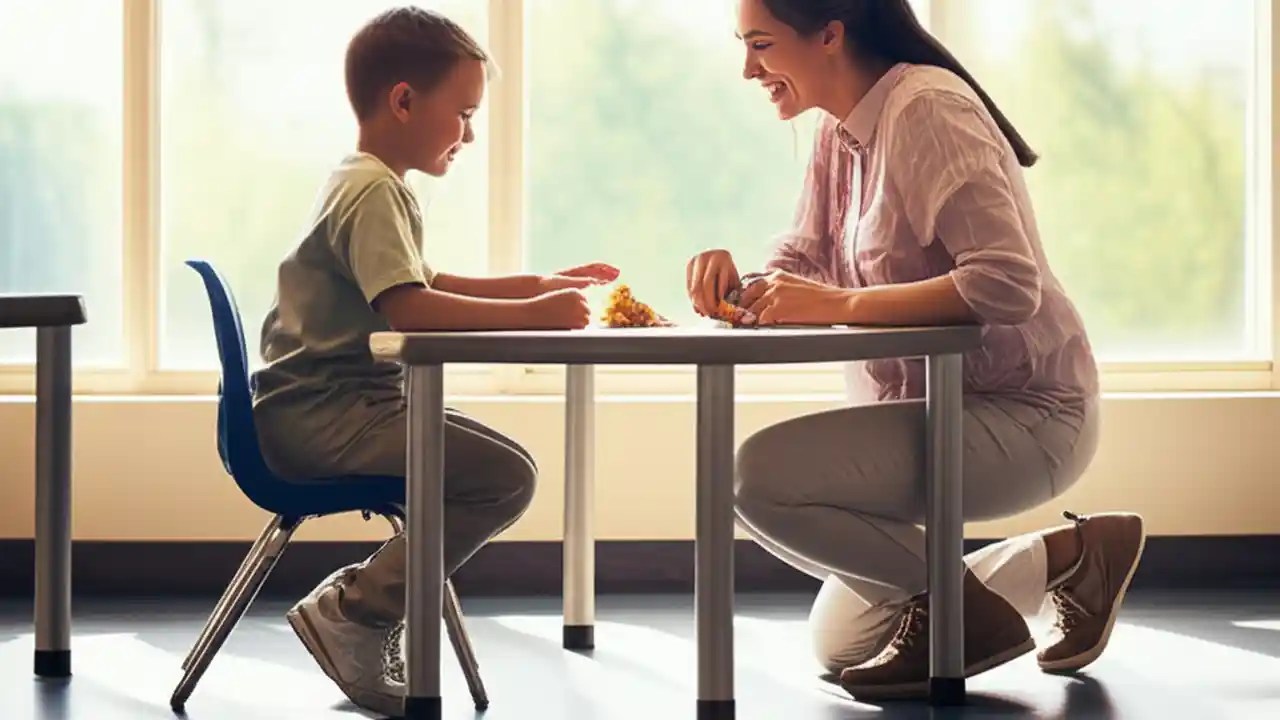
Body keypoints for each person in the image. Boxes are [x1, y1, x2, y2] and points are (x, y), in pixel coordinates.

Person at [686, 0, 1146, 701]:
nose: (748, 69)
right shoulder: (839, 129)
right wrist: (743, 284)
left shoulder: (927, 109)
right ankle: (1071, 558)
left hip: (1023, 412)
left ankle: (965, 613)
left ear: (830, 35)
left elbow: (1006, 282)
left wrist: (839, 305)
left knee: (751, 478)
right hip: (932, 415)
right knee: (842, 642)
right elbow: (805, 262)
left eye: (761, 45)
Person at [251, 7, 617, 716]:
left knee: (505, 467)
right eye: (465, 114)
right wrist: (533, 317)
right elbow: (410, 308)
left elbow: (427, 280)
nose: (470, 135)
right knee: (503, 477)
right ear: (403, 101)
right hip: (325, 420)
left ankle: (360, 606)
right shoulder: (372, 191)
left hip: (326, 410)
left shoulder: (364, 180)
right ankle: (357, 611)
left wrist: (536, 286)